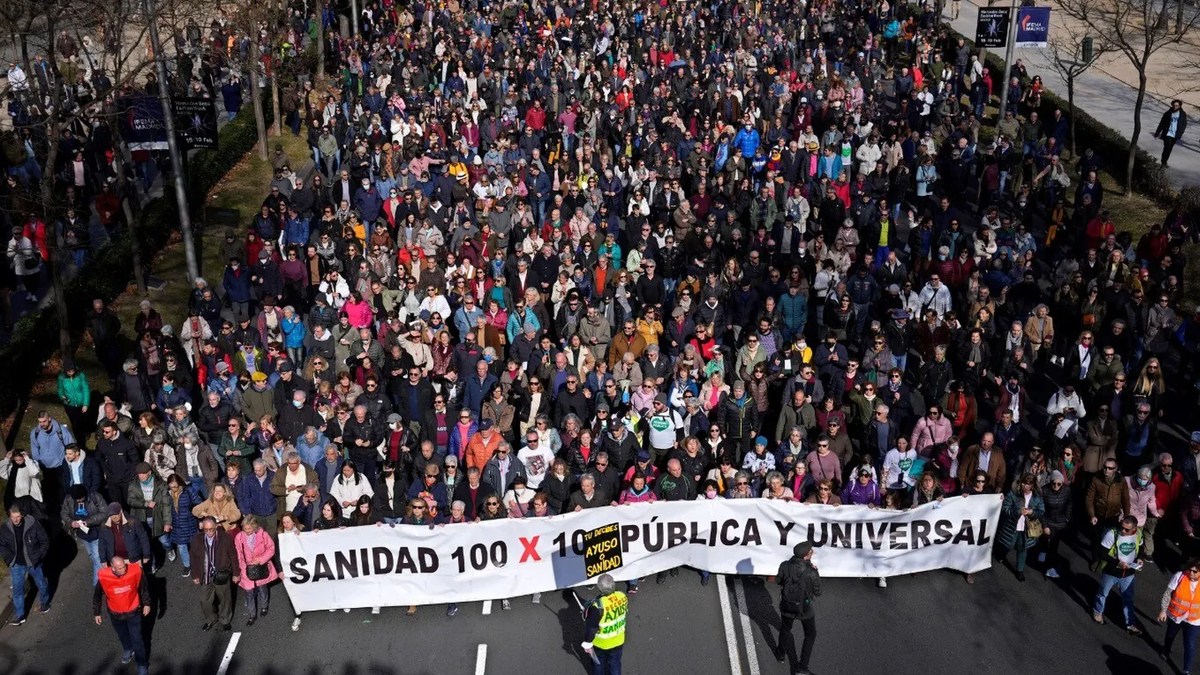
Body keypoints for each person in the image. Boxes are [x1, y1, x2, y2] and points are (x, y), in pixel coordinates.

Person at [93, 556, 152, 675]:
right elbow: (97, 596)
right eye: (120, 568)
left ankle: (141, 664)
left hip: (133, 611)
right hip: (115, 613)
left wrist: (147, 603)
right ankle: (128, 649)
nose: (124, 569)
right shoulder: (104, 577)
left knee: (137, 639)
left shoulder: (135, 571)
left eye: (124, 566)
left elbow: (143, 588)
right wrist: (97, 612)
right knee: (122, 634)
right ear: (112, 568)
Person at [773, 541, 820, 674]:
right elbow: (818, 592)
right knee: (810, 634)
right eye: (811, 551)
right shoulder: (811, 571)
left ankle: (781, 653)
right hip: (804, 609)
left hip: (787, 606)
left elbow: (779, 581)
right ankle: (802, 668)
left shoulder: (785, 565)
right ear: (806, 555)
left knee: (785, 628)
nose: (812, 552)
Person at [0, 504, 52, 624]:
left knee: (41, 583)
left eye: (17, 517)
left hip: (33, 562)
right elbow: (2, 545)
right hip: (16, 564)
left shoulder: (33, 524)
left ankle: (44, 603)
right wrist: (9, 559)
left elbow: (44, 541)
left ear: (22, 515)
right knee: (17, 590)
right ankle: (20, 615)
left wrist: (39, 556)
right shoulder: (5, 528)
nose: (15, 520)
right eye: (12, 517)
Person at [1092, 515, 1145, 634]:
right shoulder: (1112, 534)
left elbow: (1141, 547)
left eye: (1127, 529)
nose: (1123, 530)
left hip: (1129, 573)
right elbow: (1102, 552)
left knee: (1128, 600)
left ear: (1134, 528)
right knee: (1103, 593)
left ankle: (1130, 624)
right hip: (1112, 572)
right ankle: (1098, 612)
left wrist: (1140, 558)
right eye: (1122, 527)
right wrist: (1118, 563)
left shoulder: (1139, 534)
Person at [189, 515, 239, 632]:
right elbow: (193, 558)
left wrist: (236, 573)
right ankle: (211, 618)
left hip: (221, 575)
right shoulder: (197, 539)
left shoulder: (225, 538)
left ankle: (225, 620)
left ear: (216, 527)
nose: (209, 532)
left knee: (225, 599)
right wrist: (195, 574)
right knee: (204, 600)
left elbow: (233, 555)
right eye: (206, 529)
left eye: (211, 529)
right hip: (205, 575)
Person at [997, 474, 1045, 582]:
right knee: (1008, 544)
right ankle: (1001, 554)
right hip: (1012, 526)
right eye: (1023, 483)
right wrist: (1017, 512)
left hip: (1026, 529)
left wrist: (1032, 512)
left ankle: (1020, 570)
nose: (1025, 486)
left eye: (1028, 484)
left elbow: (1041, 512)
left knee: (1022, 548)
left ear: (1032, 485)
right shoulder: (1013, 494)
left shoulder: (1037, 497)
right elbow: (1005, 508)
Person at [233, 514, 278, 626]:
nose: (246, 531)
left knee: (263, 588)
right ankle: (252, 615)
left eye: (249, 528)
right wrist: (243, 566)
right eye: (244, 528)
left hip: (261, 567)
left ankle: (264, 606)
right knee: (249, 593)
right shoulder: (239, 537)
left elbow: (271, 549)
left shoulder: (263, 535)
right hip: (246, 569)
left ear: (254, 527)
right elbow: (238, 553)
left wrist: (261, 559)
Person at [581, 573, 628, 675]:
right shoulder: (622, 596)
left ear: (600, 589)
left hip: (601, 643)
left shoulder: (598, 606)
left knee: (599, 665)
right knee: (615, 664)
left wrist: (587, 643)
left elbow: (592, 628)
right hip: (618, 640)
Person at [1159, 559, 1200, 675]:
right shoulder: (1179, 576)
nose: (1191, 573)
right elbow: (1168, 593)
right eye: (1189, 570)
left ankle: (1186, 670)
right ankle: (1166, 649)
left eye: (1195, 572)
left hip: (1194, 620)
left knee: (1190, 644)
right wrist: (1163, 610)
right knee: (1170, 635)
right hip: (1176, 616)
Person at [1154, 99, 1188, 167]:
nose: (1175, 107)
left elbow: (1184, 124)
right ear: (1172, 105)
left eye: (1177, 106)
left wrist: (1181, 132)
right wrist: (1157, 133)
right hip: (1168, 133)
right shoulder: (1168, 113)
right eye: (1174, 105)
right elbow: (1162, 123)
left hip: (1175, 134)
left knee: (1170, 149)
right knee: (1167, 147)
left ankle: (1165, 161)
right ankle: (1163, 162)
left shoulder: (1182, 114)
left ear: (1179, 106)